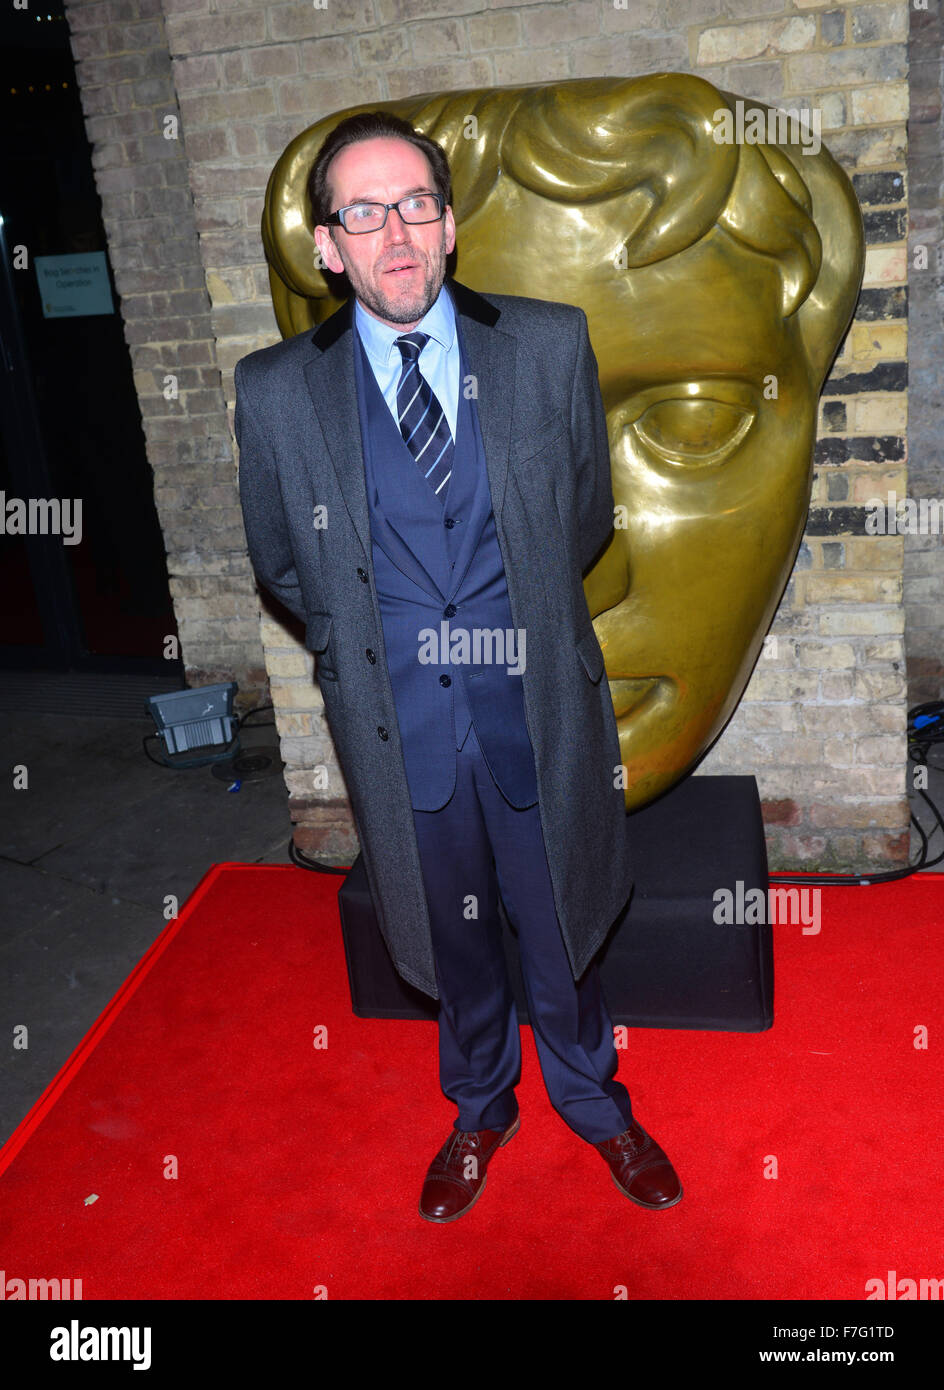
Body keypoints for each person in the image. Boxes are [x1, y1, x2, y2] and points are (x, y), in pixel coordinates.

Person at [236, 111, 682, 1222]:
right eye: (364, 212)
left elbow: (578, 520)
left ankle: (593, 1101)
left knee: (563, 919)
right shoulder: (276, 391)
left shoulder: (544, 346)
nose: (395, 233)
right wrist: (361, 648)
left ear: (449, 227)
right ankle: (479, 1107)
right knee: (452, 932)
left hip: (534, 710)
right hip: (400, 730)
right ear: (327, 246)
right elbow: (285, 565)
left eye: (417, 205)